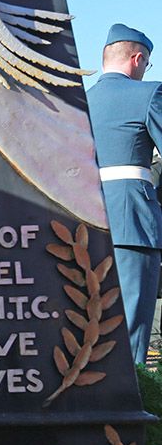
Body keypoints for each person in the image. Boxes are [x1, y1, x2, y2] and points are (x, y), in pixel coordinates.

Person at [87, 23, 162, 364]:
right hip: (133, 220)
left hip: (85, 221)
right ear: (136, 58)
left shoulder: (80, 101)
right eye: (146, 63)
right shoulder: (148, 94)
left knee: (94, 320)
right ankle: (131, 404)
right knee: (132, 322)